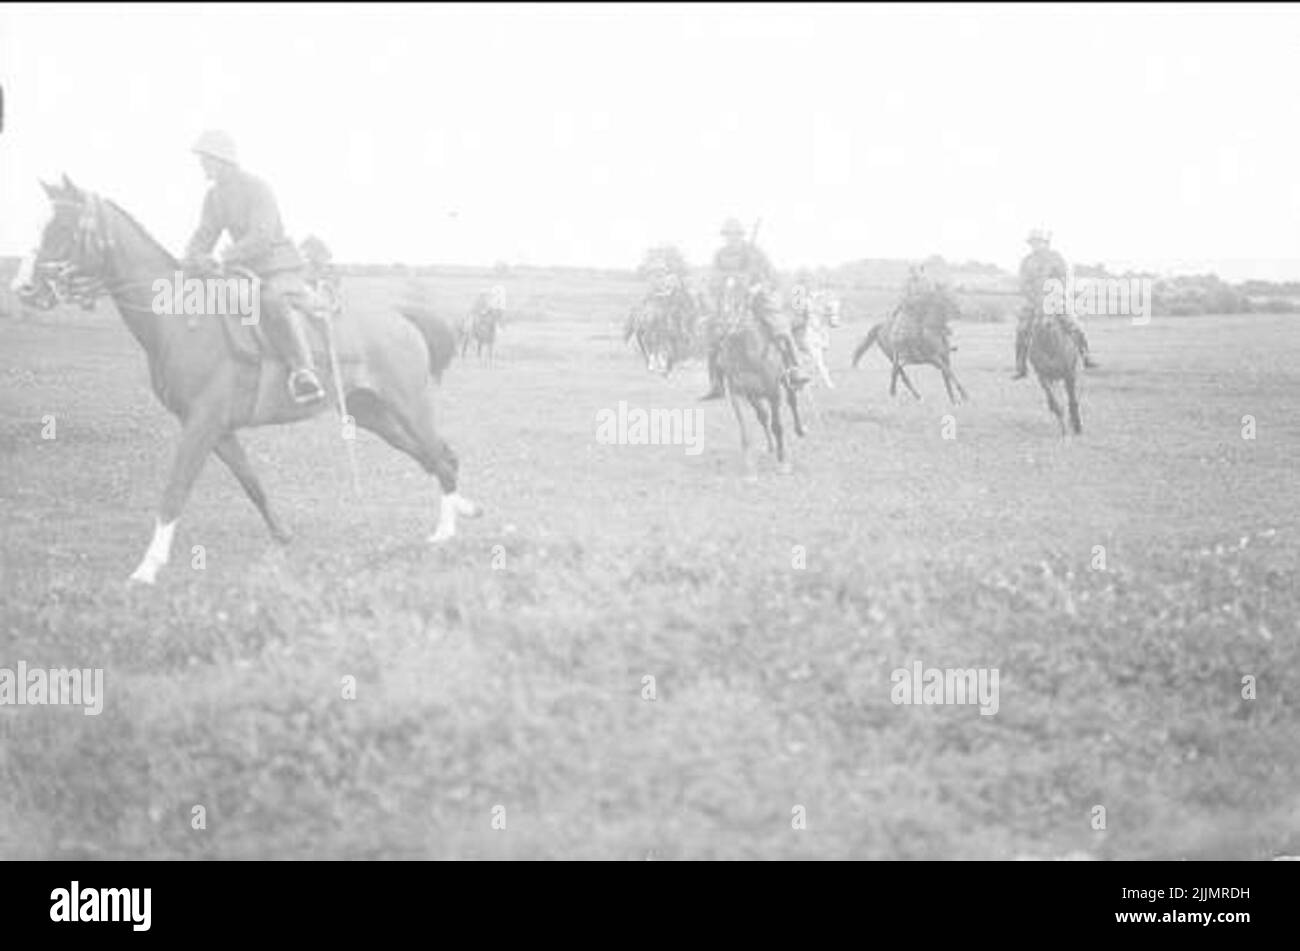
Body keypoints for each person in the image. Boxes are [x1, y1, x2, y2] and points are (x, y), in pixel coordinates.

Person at [183, 130, 325, 403]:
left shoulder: (258, 187)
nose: (202, 166)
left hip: (278, 266)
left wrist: (224, 257)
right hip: (244, 267)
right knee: (205, 297)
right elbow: (204, 234)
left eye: (205, 160)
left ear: (222, 160)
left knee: (271, 300)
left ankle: (304, 372)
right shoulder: (214, 197)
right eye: (201, 160)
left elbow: (262, 236)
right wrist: (191, 258)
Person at [699, 218, 809, 400]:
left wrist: (757, 287)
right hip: (728, 301)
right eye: (728, 235)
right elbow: (713, 278)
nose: (731, 238)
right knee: (712, 334)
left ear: (741, 235)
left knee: (781, 328)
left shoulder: (756, 252)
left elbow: (773, 276)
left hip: (758, 300)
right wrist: (722, 286)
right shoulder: (719, 255)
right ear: (724, 236)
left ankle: (795, 370)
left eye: (735, 234)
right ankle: (716, 383)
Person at [1012, 229, 1098, 379]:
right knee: (1021, 330)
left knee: (1073, 324)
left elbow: (1064, 278)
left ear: (1046, 243)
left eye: (1039, 242)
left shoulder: (1056, 258)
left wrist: (1054, 295)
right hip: (1033, 302)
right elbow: (1023, 283)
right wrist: (1034, 298)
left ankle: (1085, 355)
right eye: (1033, 243)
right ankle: (1021, 366)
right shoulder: (1027, 261)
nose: (1036, 246)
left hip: (1054, 299)